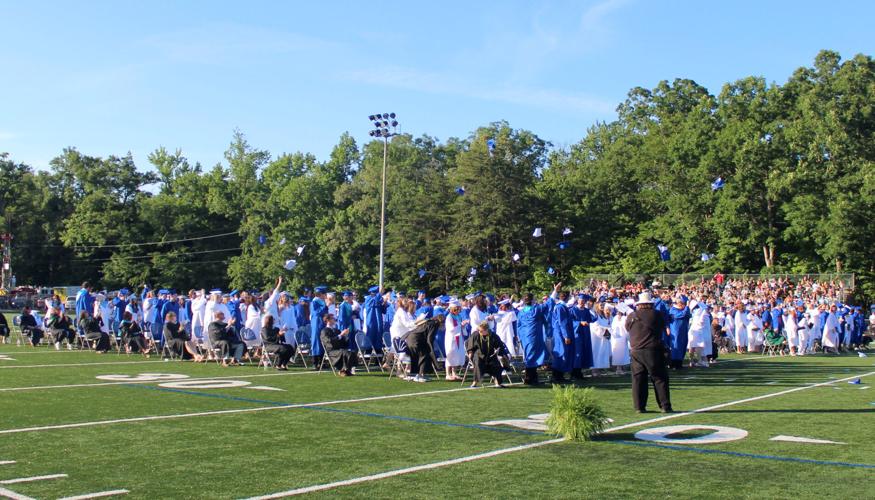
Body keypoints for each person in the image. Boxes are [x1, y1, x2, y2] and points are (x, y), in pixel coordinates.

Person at [625, 292, 672, 413]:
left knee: (638, 379)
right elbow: (662, 326)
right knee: (659, 378)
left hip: (636, 350)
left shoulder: (631, 315)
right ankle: (664, 405)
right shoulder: (656, 314)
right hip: (652, 350)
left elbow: (627, 328)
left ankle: (639, 407)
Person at [516, 284, 559, 385]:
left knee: (529, 356)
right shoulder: (535, 310)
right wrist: (555, 291)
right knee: (533, 357)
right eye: (534, 299)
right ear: (531, 300)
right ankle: (530, 379)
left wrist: (519, 337)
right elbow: (548, 304)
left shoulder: (521, 312)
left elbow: (519, 326)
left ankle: (531, 378)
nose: (536, 300)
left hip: (525, 337)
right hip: (534, 336)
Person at [402, 314, 445, 382]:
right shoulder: (434, 324)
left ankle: (413, 374)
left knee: (415, 356)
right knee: (424, 354)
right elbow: (429, 339)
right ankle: (420, 376)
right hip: (415, 340)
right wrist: (431, 349)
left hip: (409, 339)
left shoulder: (428, 321)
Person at [465, 322, 509, 388]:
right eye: (479, 330)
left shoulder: (493, 336)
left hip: (490, 355)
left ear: (486, 330)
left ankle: (497, 382)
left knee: (496, 364)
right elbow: (470, 345)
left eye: (481, 331)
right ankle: (475, 382)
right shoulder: (475, 334)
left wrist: (498, 351)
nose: (479, 332)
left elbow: (500, 346)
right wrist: (470, 353)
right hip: (478, 355)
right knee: (477, 363)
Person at [443, 299, 468, 381]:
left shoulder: (459, 316)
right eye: (455, 309)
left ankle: (454, 373)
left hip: (458, 337)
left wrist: (463, 326)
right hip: (451, 338)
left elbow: (460, 327)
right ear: (452, 309)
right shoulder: (449, 317)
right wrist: (461, 325)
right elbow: (450, 329)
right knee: (450, 354)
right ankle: (447, 374)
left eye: (458, 309)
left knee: (457, 354)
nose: (457, 311)